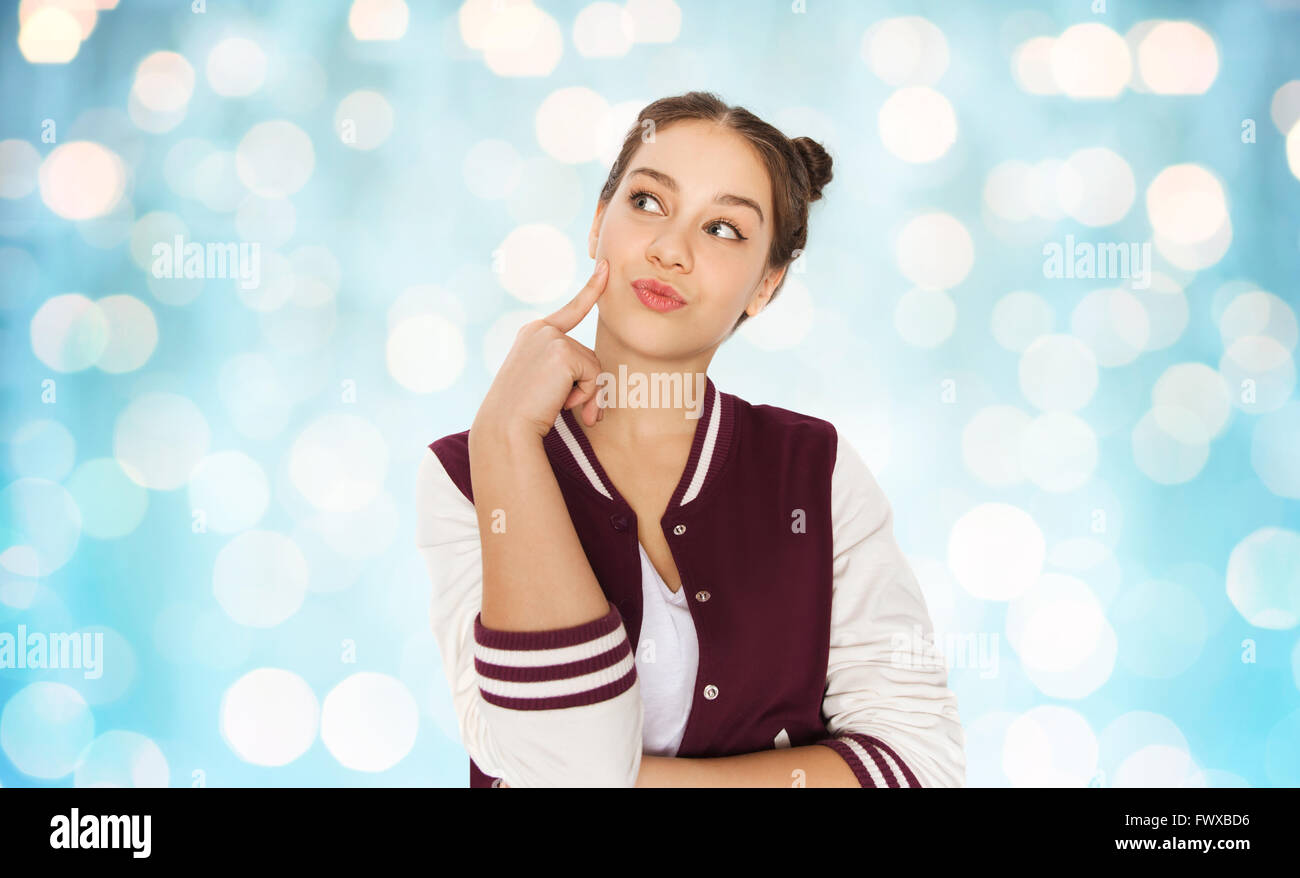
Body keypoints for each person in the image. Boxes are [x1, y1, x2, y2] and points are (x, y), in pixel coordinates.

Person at [416, 91, 966, 788]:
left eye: (724, 230)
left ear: (765, 285)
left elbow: (921, 765)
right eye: (648, 203)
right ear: (597, 225)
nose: (670, 250)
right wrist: (507, 436)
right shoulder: (470, 472)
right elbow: (561, 756)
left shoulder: (815, 471)